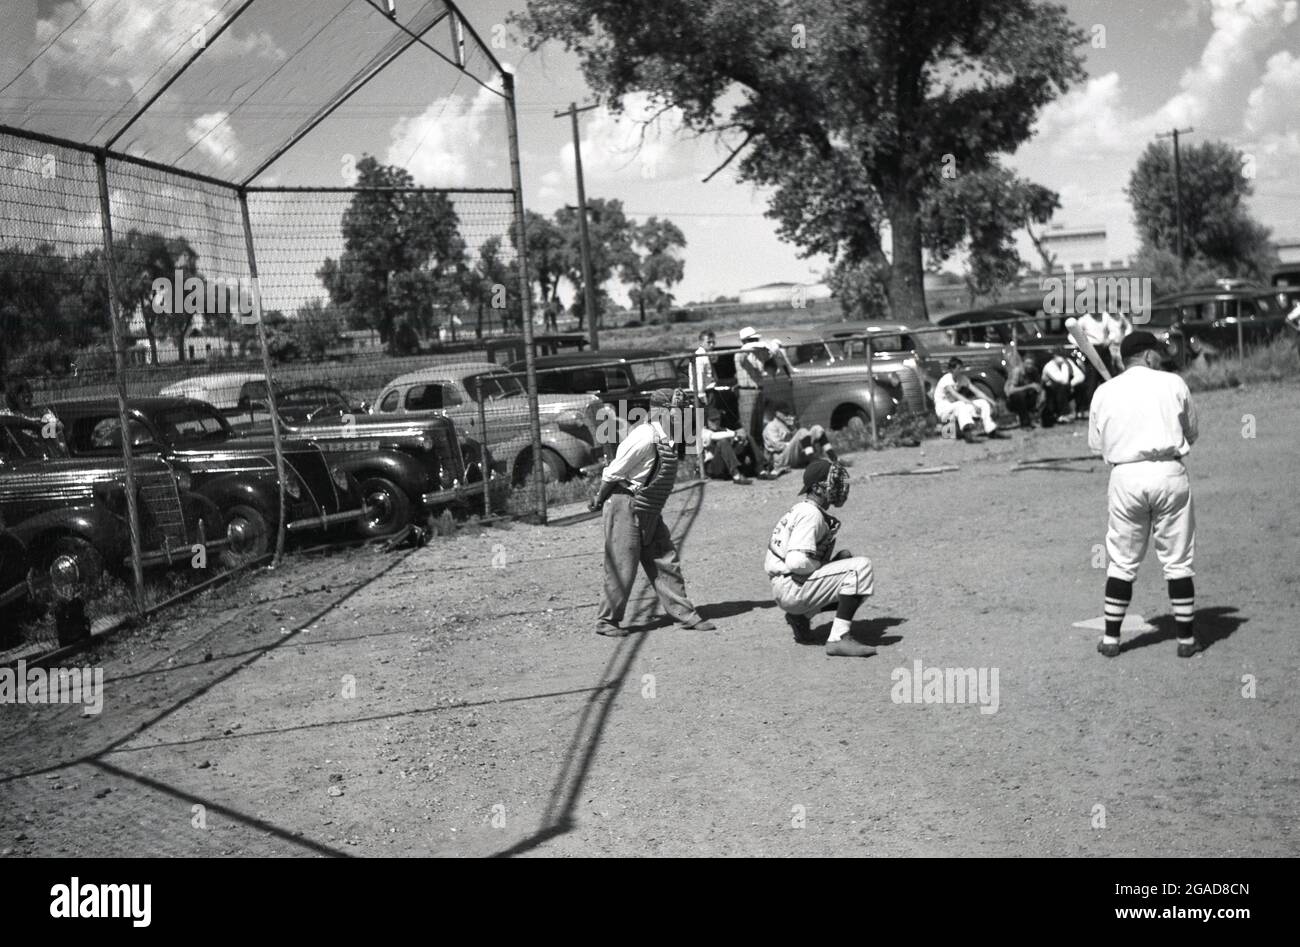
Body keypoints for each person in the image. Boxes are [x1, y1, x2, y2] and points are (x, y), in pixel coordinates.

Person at [1088, 331, 1200, 659]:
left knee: (1122, 562)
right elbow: (1192, 432)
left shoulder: (1104, 392)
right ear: (1149, 356)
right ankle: (1186, 640)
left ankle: (1111, 640)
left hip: (1125, 476)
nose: (1162, 358)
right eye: (1159, 354)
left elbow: (1097, 447)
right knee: (1178, 561)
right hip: (1169, 472)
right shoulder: (1174, 383)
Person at [588, 388, 716, 637]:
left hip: (648, 509)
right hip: (624, 505)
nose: (681, 415)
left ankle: (685, 615)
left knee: (665, 560)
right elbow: (612, 473)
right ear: (661, 411)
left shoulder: (667, 436)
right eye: (677, 411)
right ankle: (607, 621)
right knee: (623, 567)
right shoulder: (644, 436)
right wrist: (598, 499)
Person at [764, 458, 877, 657]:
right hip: (792, 587)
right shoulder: (811, 515)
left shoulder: (802, 509)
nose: (838, 486)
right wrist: (818, 565)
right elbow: (796, 561)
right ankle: (838, 638)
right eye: (832, 481)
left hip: (786, 585)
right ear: (817, 488)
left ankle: (800, 617)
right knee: (860, 570)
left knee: (845, 559)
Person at [933, 357, 1003, 442]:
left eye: (961, 368)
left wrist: (991, 401)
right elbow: (957, 395)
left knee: (982, 403)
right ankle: (968, 433)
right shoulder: (946, 380)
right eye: (958, 368)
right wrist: (972, 404)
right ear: (952, 369)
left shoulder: (962, 378)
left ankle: (991, 430)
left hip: (955, 406)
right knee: (961, 404)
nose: (960, 370)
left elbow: (977, 391)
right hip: (943, 408)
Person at [763, 402, 838, 471]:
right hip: (781, 459)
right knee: (802, 431)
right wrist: (795, 443)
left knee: (817, 429)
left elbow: (800, 439)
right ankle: (813, 463)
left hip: (794, 456)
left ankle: (834, 459)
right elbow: (777, 446)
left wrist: (793, 428)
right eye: (784, 413)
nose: (787, 414)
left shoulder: (787, 424)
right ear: (777, 413)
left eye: (788, 412)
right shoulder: (771, 426)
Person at [1075, 308, 1121, 413]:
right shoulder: (1083, 320)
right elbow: (1073, 335)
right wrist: (1083, 345)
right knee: (1091, 380)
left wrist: (1110, 339)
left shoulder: (1105, 317)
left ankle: (1112, 405)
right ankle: (1089, 408)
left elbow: (1114, 331)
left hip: (1104, 350)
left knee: (1109, 378)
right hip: (1091, 350)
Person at [700, 407, 754, 484]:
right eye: (712, 420)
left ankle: (761, 468)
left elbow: (736, 438)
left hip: (725, 466)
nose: (715, 422)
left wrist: (741, 440)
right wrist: (735, 434)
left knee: (748, 438)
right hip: (714, 468)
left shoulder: (724, 430)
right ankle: (736, 476)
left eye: (717, 419)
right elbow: (714, 436)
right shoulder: (704, 432)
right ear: (707, 421)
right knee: (723, 442)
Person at [1040, 348, 1084, 425]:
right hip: (1050, 392)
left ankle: (1080, 411)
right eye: (1060, 355)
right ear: (1054, 356)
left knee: (1080, 387)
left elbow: (1081, 376)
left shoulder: (1067, 362)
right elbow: (1063, 380)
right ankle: (1064, 415)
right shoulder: (1050, 366)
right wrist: (1064, 366)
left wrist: (1070, 385)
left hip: (1064, 389)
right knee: (1061, 388)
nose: (1063, 358)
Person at [1003, 354, 1044, 429]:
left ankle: (1044, 418)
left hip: (1028, 398)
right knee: (1019, 395)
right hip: (1013, 400)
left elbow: (1039, 386)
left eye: (1031, 364)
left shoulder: (1034, 371)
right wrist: (1029, 386)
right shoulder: (1017, 371)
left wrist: (1041, 394)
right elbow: (1011, 391)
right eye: (1027, 363)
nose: (1030, 366)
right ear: (1023, 363)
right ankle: (1025, 423)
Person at [689, 330, 717, 405]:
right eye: (709, 342)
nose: (712, 345)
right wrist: (701, 394)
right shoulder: (699, 356)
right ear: (701, 343)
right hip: (702, 391)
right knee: (701, 415)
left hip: (709, 389)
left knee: (709, 414)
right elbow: (699, 375)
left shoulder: (707, 355)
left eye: (713, 342)